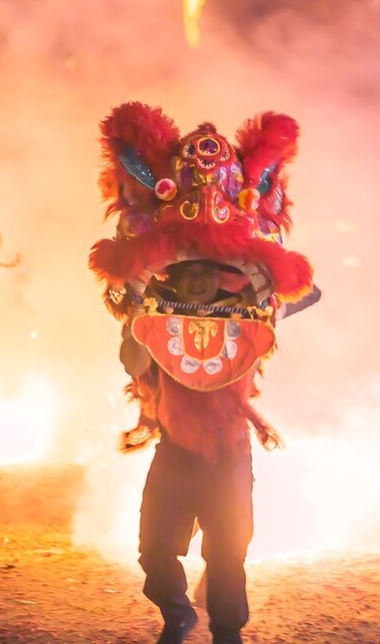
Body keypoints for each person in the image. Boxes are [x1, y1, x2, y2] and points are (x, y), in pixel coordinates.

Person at [121, 261, 257, 644]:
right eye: (188, 273)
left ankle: (227, 631)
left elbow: (305, 293)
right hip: (175, 454)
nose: (198, 280)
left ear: (221, 280)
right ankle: (177, 614)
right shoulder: (157, 324)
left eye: (207, 273)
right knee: (154, 547)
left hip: (228, 454)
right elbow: (133, 363)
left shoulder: (247, 322)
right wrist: (136, 316)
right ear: (175, 282)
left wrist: (261, 294)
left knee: (228, 552)